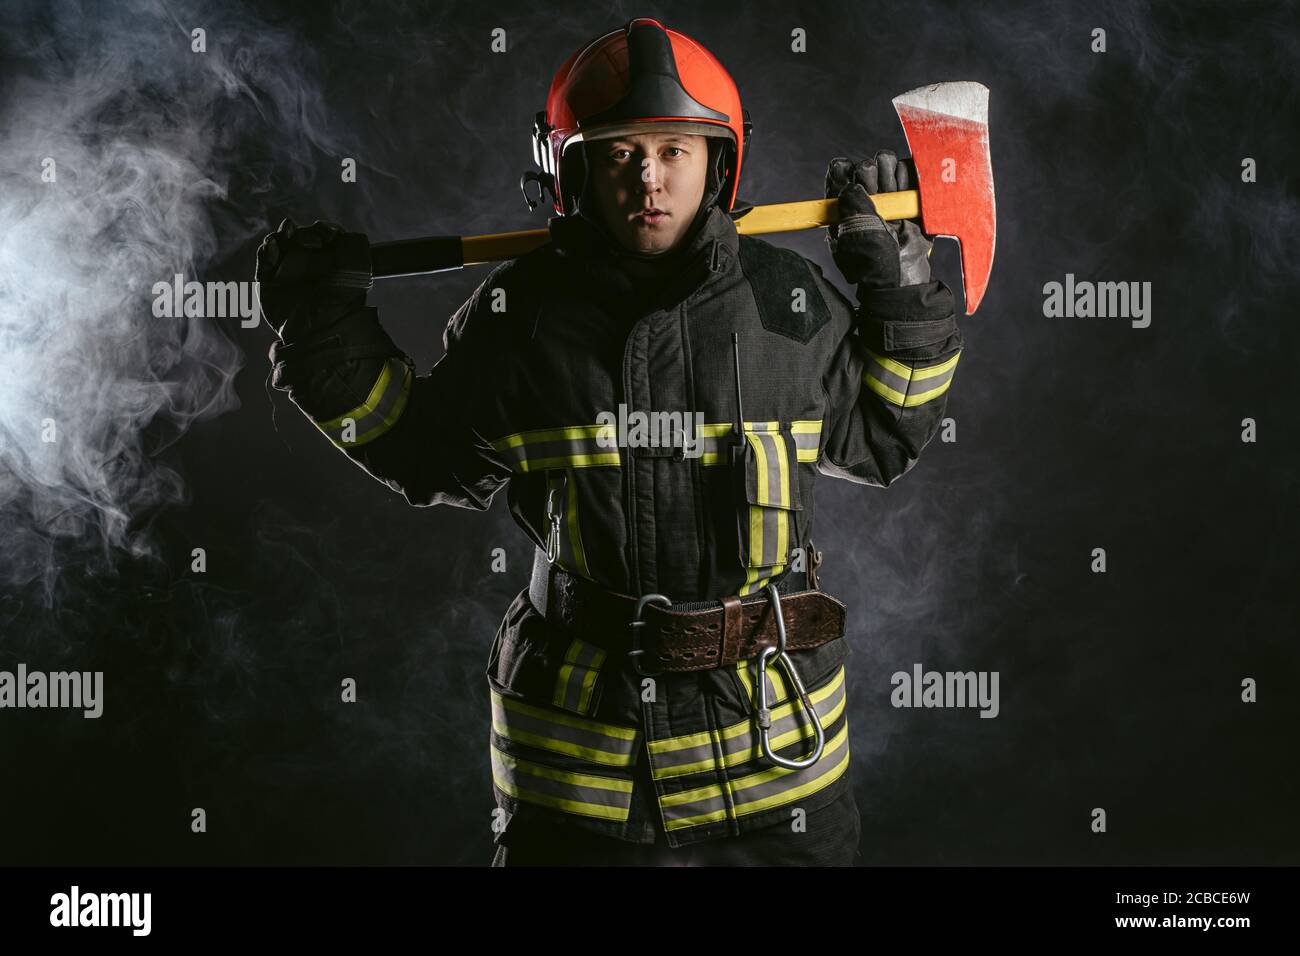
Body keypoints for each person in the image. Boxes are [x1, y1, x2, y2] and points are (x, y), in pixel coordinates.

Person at [255, 18, 964, 867]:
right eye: (620, 153)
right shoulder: (519, 320)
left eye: (675, 151)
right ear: (573, 170)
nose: (650, 180)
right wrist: (322, 331)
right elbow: (419, 451)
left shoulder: (789, 302)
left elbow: (884, 435)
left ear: (722, 163)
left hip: (778, 770)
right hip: (579, 781)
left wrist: (903, 292)